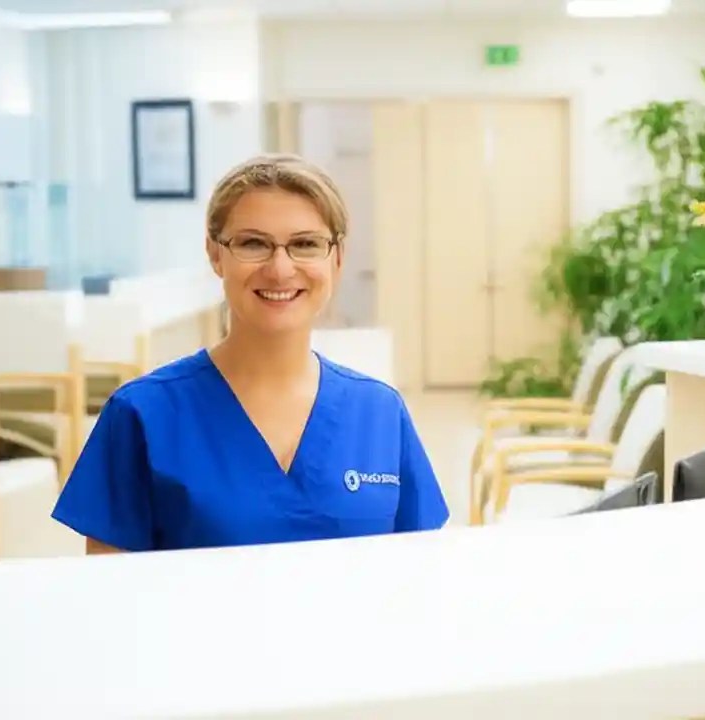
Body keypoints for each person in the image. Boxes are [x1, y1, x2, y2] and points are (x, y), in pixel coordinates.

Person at [52, 153, 450, 554]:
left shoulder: (379, 412)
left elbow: (420, 582)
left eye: (306, 244)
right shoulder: (143, 415)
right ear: (215, 254)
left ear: (338, 258)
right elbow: (108, 598)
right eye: (253, 244)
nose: (279, 269)